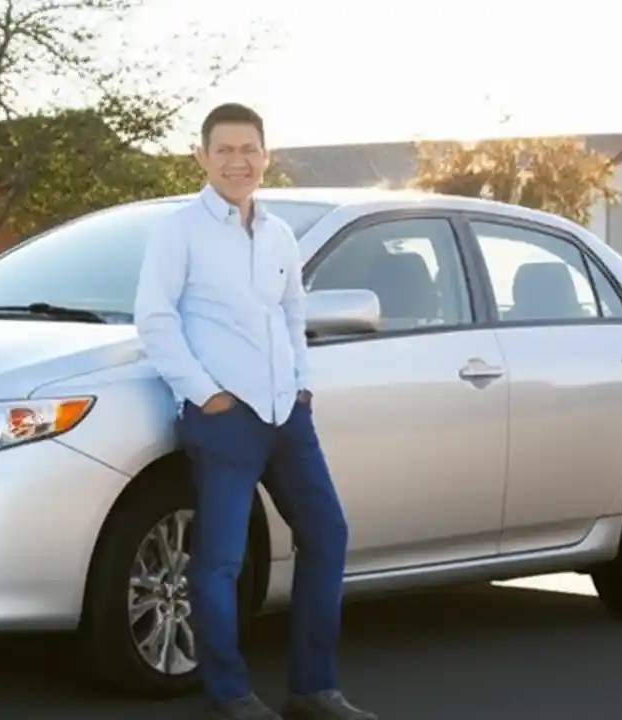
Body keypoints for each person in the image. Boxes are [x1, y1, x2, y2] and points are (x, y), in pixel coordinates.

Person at [134, 103, 376, 720]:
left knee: (327, 535)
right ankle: (228, 694)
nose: (237, 162)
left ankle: (314, 689)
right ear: (202, 157)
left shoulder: (277, 234)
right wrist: (204, 394)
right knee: (219, 561)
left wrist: (301, 383)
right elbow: (155, 321)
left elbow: (292, 314)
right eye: (224, 150)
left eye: (249, 150)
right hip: (224, 418)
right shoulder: (179, 231)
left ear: (266, 157)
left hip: (286, 415)